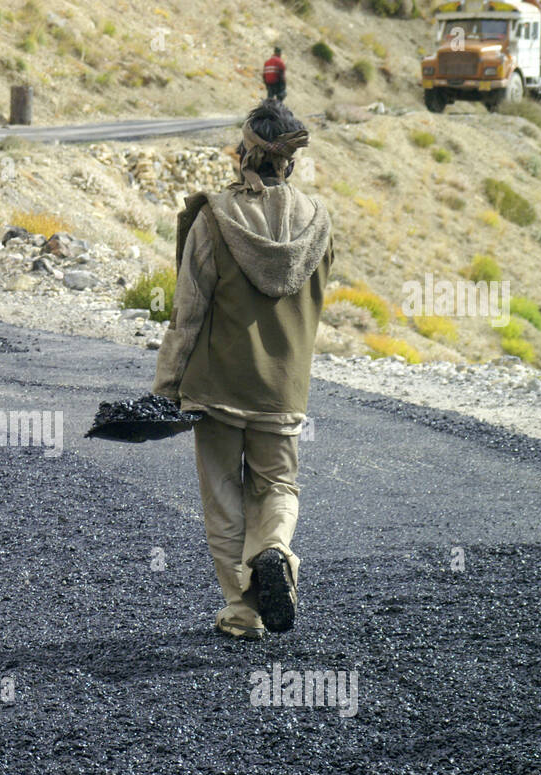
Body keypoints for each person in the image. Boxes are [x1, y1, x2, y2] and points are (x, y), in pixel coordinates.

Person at [151, 99, 333, 641]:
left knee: (224, 497)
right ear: (290, 162)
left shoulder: (213, 217)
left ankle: (243, 609)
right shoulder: (320, 221)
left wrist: (165, 388)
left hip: (217, 387)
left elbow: (188, 314)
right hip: (285, 386)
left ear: (244, 155)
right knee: (277, 485)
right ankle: (275, 550)